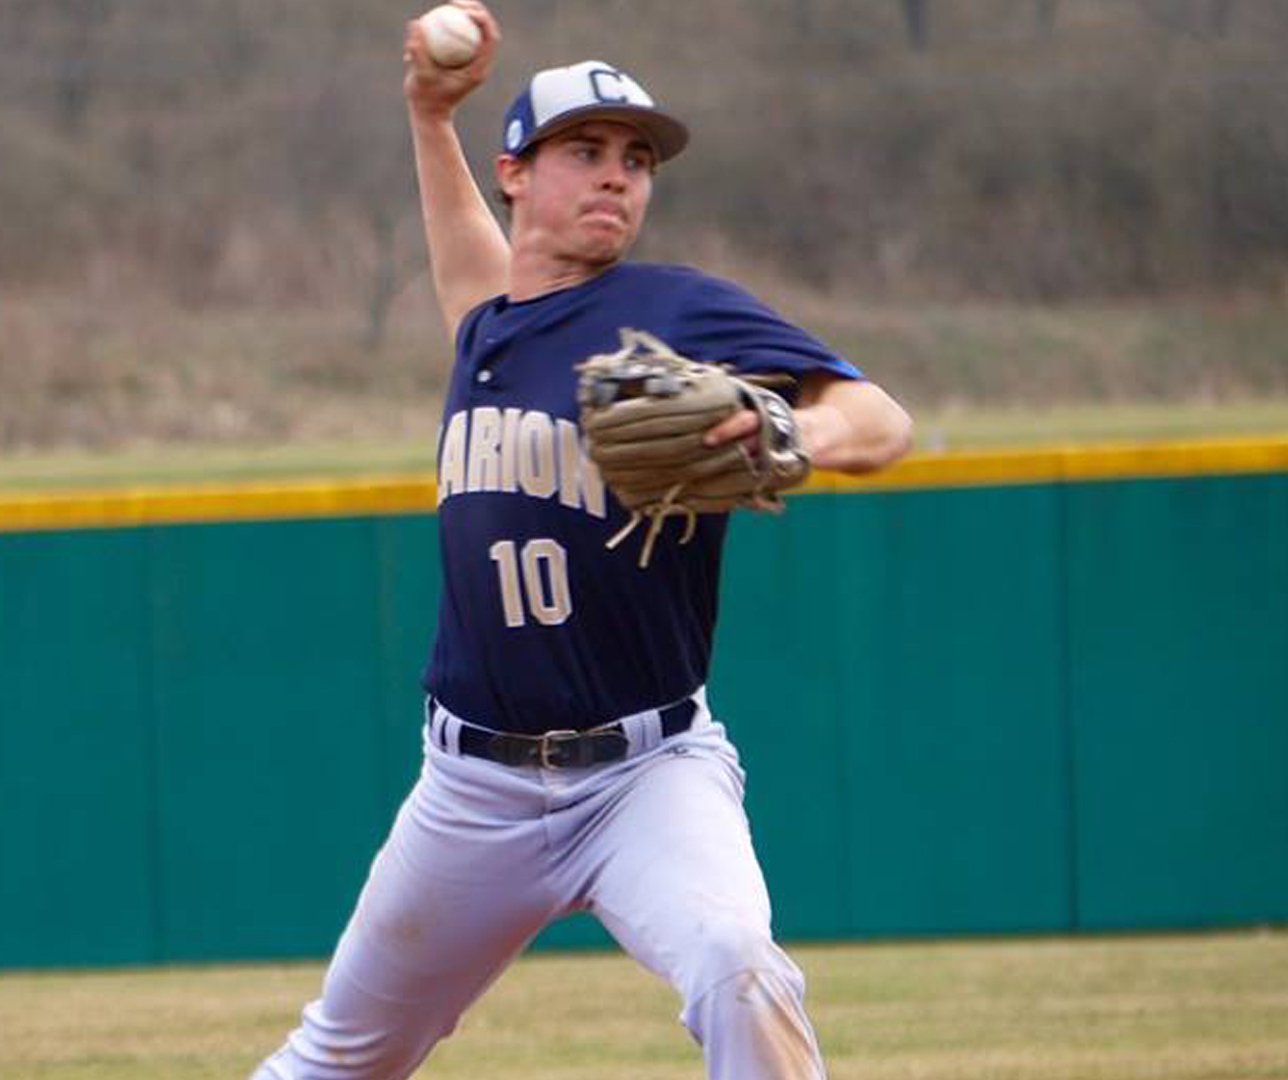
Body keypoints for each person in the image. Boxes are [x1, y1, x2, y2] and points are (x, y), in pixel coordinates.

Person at [249, 4, 913, 1078]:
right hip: (471, 788)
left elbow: (885, 422)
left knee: (738, 961)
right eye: (587, 152)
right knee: (336, 1059)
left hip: (647, 773)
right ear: (515, 172)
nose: (619, 177)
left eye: (637, 160)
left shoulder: (678, 309)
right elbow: (472, 262)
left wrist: (798, 430)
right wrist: (429, 118)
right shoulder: (492, 329)